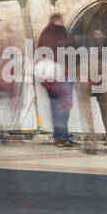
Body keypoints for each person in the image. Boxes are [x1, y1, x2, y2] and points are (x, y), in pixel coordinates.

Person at [35, 13, 75, 148]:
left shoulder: (44, 34)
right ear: (59, 21)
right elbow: (69, 50)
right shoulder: (59, 33)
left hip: (49, 78)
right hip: (61, 74)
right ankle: (63, 137)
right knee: (64, 106)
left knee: (56, 107)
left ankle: (59, 137)